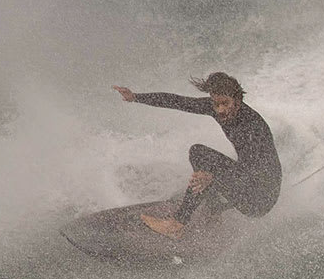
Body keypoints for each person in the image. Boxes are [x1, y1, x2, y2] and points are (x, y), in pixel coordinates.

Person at [112, 72, 281, 237]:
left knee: (202, 156)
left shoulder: (253, 128)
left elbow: (259, 174)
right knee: (198, 153)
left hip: (260, 199)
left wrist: (215, 177)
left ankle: (176, 224)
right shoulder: (217, 107)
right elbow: (177, 102)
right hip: (245, 185)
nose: (220, 110)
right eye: (216, 104)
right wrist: (135, 97)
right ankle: (214, 209)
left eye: (225, 104)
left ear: (237, 101)